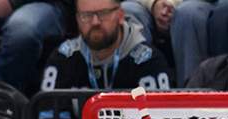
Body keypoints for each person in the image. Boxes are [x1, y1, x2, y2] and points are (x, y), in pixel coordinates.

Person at [41, 0, 171, 91]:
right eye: (86, 16)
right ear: (77, 20)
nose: (95, 22)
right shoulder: (62, 58)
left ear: (120, 15)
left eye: (103, 14)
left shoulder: (148, 61)